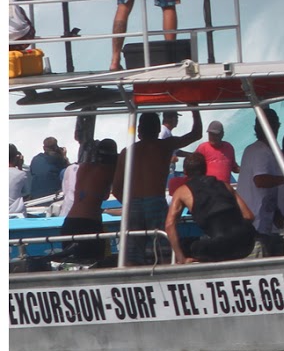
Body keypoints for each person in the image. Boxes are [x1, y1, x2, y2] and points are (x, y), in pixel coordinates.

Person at [112, 110, 201, 264]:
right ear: (158, 129)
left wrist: (129, 205)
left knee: (133, 256)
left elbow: (117, 189)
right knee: (162, 253)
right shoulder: (165, 145)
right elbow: (196, 134)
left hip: (133, 205)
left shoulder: (126, 152)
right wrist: (194, 110)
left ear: (139, 130)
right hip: (156, 202)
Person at [167, 153, 256, 264]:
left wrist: (181, 258)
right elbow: (249, 216)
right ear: (206, 169)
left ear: (185, 172)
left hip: (219, 248)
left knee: (191, 245)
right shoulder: (225, 186)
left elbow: (169, 225)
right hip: (246, 243)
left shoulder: (181, 192)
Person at [237, 108, 284, 256]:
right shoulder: (261, 152)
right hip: (255, 227)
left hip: (259, 225)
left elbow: (264, 193)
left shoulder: (256, 150)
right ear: (275, 126)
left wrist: (279, 218)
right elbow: (261, 181)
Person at [58, 139, 119, 268]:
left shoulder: (83, 167)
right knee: (94, 266)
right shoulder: (108, 170)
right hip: (89, 223)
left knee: (69, 267)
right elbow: (107, 195)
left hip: (70, 222)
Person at [9, 144, 28, 213]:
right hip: (15, 213)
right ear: (15, 157)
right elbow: (27, 194)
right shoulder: (21, 174)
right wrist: (20, 166)